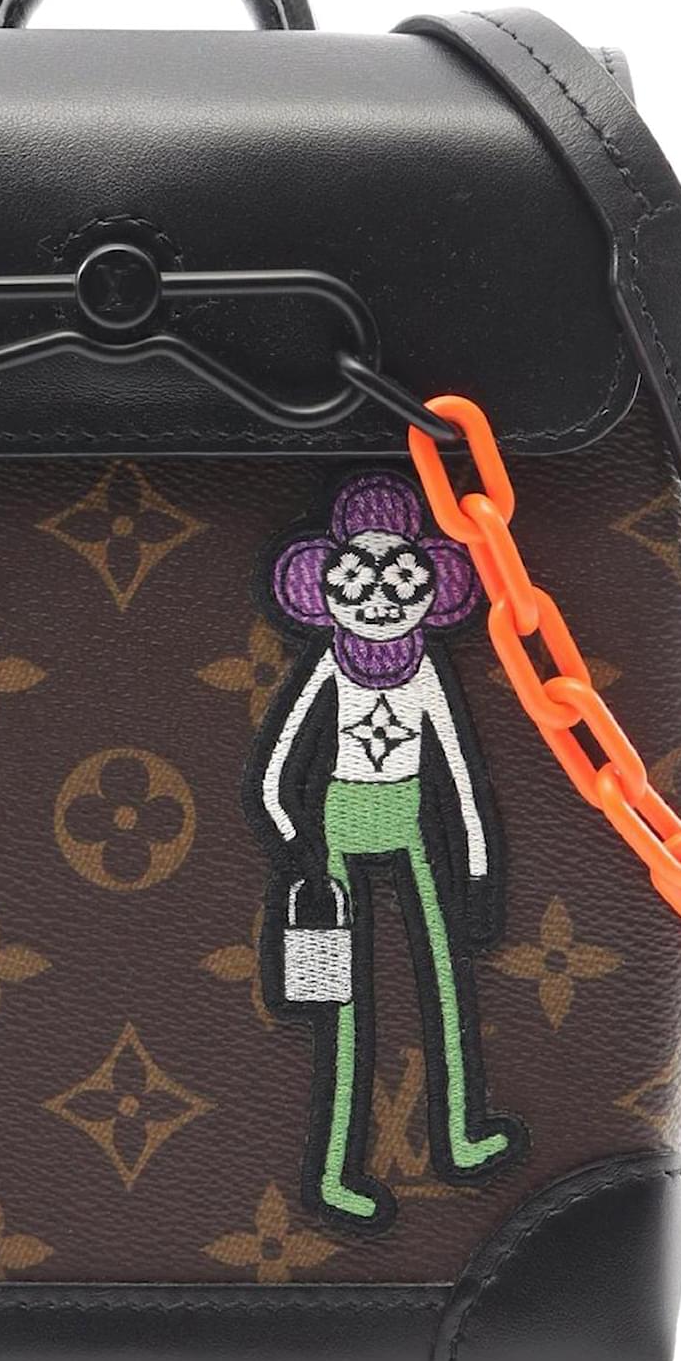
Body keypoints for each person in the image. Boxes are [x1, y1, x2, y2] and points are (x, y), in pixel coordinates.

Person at [251, 472, 525, 1231]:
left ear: (434, 589)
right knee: (347, 1002)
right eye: (357, 581)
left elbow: (459, 779)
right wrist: (301, 854)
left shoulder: (425, 671)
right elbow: (276, 778)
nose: (378, 600)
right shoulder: (332, 668)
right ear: (321, 588)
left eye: (399, 580)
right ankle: (339, 1171)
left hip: (406, 824)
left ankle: (460, 1135)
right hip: (338, 833)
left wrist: (477, 870)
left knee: (441, 979)